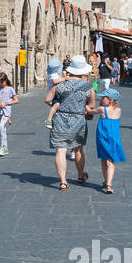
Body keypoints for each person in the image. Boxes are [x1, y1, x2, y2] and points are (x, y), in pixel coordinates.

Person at [45, 55, 95, 190]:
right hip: (78, 119)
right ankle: (80, 175)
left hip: (60, 119)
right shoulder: (88, 86)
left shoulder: (60, 84)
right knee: (78, 149)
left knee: (61, 150)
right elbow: (91, 105)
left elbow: (47, 99)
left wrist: (56, 105)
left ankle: (62, 181)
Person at [89, 87, 126, 194]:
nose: (100, 100)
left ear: (110, 99)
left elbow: (90, 111)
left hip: (102, 138)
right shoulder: (119, 110)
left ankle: (107, 182)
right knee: (111, 161)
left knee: (104, 159)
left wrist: (87, 105)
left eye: (103, 98)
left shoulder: (102, 109)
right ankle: (108, 183)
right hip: (114, 139)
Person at [0, 72, 18, 157]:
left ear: (6, 80)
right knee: (2, 129)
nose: (1, 84)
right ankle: (5, 148)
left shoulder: (10, 89)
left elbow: (16, 100)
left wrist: (6, 103)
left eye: (2, 82)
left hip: (6, 112)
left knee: (0, 126)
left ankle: (3, 147)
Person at [45, 58, 63, 128]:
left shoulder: (53, 74)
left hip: (54, 93)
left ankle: (53, 118)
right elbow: (55, 82)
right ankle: (49, 119)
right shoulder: (53, 75)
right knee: (56, 105)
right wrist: (64, 79)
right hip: (53, 94)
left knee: (56, 106)